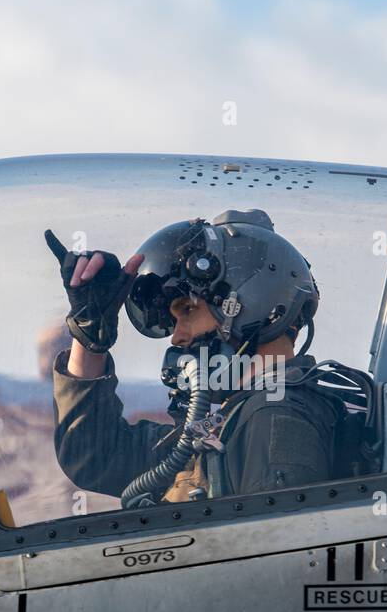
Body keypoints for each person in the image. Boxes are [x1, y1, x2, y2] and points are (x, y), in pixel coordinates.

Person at [46, 209, 347, 506]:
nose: (177, 337)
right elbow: (94, 457)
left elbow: (275, 542)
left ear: (249, 306)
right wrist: (89, 340)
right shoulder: (226, 427)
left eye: (188, 311)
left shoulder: (276, 417)